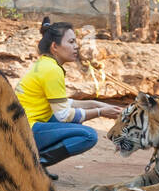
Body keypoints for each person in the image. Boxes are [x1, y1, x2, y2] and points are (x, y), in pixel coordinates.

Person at [16, 18, 124, 179]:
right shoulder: (52, 70)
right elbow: (64, 115)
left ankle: (35, 161)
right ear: (55, 47)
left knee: (75, 120)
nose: (76, 46)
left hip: (22, 124)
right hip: (25, 129)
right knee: (88, 136)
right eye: (71, 42)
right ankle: (34, 164)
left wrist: (94, 103)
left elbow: (61, 103)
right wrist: (100, 112)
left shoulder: (46, 64)